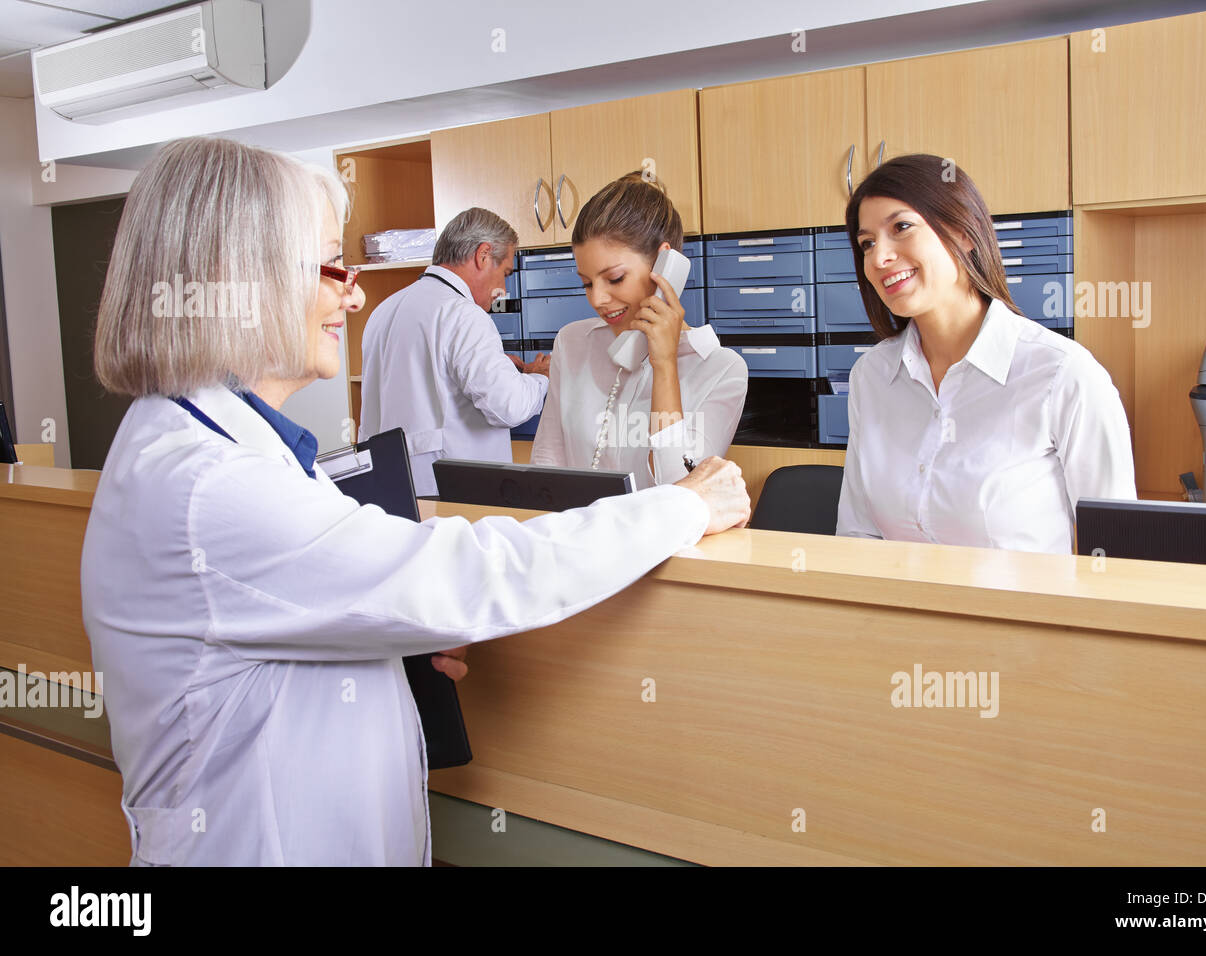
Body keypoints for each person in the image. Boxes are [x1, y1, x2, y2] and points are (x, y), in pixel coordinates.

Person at [81, 137, 750, 866]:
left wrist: (393, 642)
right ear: (236, 280)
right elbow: (474, 573)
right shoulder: (210, 486)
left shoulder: (218, 449)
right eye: (331, 265)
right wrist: (683, 507)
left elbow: (279, 629)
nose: (356, 291)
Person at [835, 154, 1135, 554]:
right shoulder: (871, 376)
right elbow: (858, 534)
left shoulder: (1063, 373)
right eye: (867, 243)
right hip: (898, 614)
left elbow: (1116, 554)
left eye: (901, 227)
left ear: (963, 232)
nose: (878, 258)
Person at [530, 173, 748, 488]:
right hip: (576, 536)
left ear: (663, 266)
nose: (598, 300)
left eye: (615, 278)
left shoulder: (722, 369)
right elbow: (546, 467)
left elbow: (679, 490)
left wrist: (665, 365)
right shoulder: (572, 342)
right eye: (587, 283)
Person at [359, 208, 549, 496]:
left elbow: (424, 377)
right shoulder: (463, 314)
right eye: (505, 273)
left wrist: (496, 366)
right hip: (449, 489)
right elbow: (509, 407)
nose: (504, 288)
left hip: (391, 487)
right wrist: (539, 378)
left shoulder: (384, 310)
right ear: (483, 255)